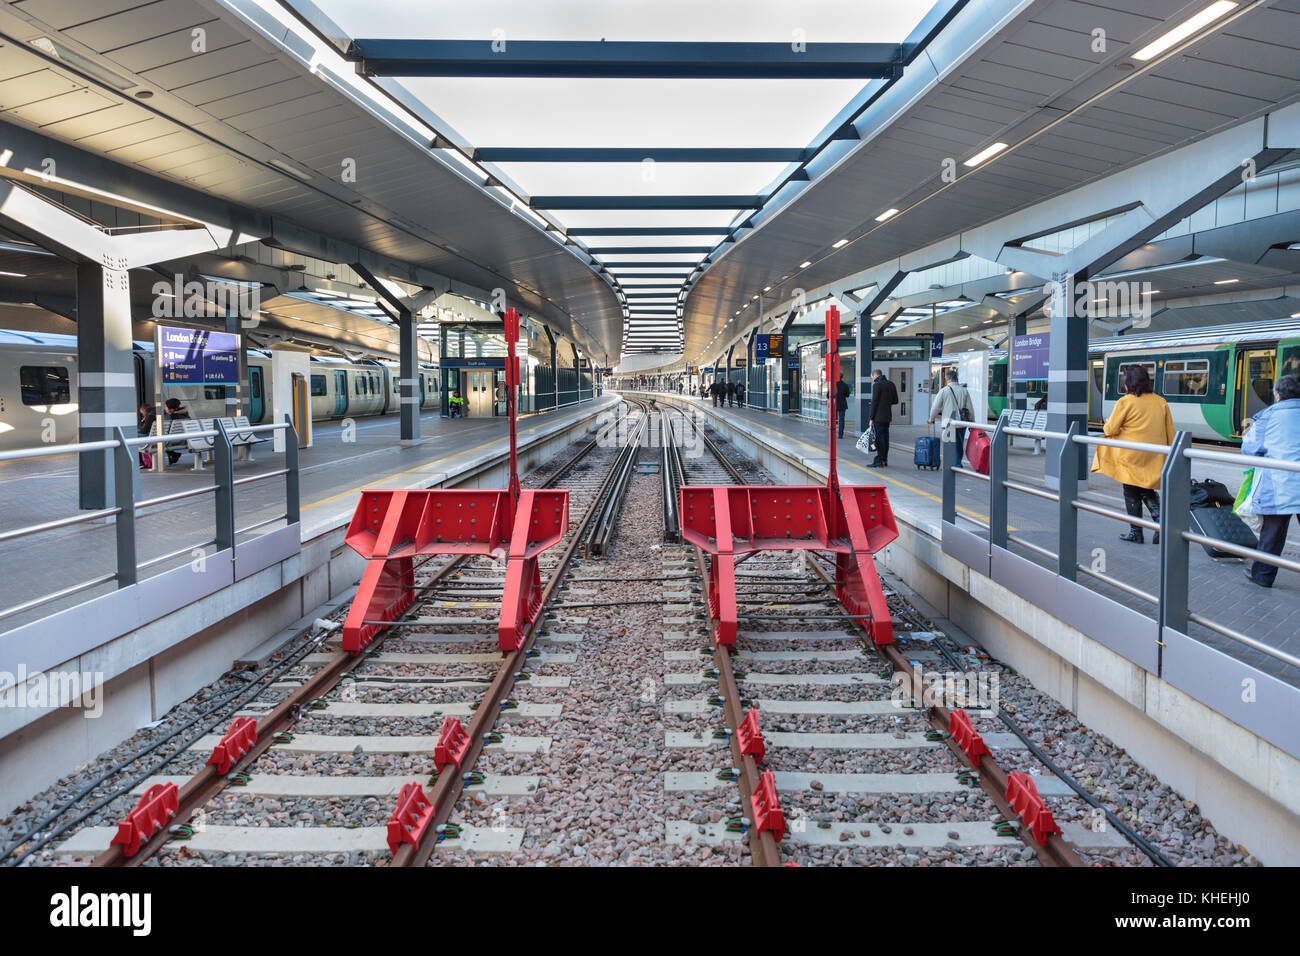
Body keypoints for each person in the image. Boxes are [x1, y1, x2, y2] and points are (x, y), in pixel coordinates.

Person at [1091, 365, 1174, 544]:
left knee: (1130, 491)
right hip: (1154, 454)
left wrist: (1106, 423)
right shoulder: (1161, 401)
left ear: (1129, 382)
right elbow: (1171, 433)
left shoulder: (1125, 401)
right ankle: (1160, 524)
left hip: (1131, 455)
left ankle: (1137, 532)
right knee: (1145, 489)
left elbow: (1111, 429)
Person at [1241, 375, 1300, 587]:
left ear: (1277, 395)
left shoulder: (1267, 416)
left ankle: (1262, 576)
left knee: (1273, 532)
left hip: (1279, 485)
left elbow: (1249, 449)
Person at [928, 369, 975, 467]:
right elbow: (970, 408)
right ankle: (957, 464)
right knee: (959, 445)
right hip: (962, 423)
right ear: (956, 379)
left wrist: (931, 419)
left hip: (948, 423)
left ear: (947, 379)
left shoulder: (944, 390)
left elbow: (935, 407)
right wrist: (972, 422)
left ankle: (951, 464)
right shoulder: (964, 390)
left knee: (949, 445)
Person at [867, 369, 898, 467]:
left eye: (872, 377)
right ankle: (884, 460)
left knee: (879, 440)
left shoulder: (877, 385)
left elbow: (874, 402)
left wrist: (871, 418)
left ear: (874, 375)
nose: (872, 379)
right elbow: (895, 400)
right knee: (885, 438)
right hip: (887, 416)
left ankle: (879, 460)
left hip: (878, 417)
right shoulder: (891, 384)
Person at [163, 398, 189, 466]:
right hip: (184, 439)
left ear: (171, 409)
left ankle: (173, 455)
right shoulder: (185, 414)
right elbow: (185, 408)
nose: (164, 408)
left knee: (163, 439)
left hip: (173, 440)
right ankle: (173, 455)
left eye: (165, 406)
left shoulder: (169, 416)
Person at [137, 403, 157, 470]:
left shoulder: (150, 416)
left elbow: (144, 431)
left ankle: (140, 462)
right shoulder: (157, 413)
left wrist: (138, 429)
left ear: (144, 410)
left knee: (133, 438)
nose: (142, 414)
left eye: (142, 412)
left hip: (150, 438)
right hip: (157, 437)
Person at [835, 373, 851, 438]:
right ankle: (840, 435)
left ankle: (832, 433)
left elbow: (828, 395)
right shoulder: (845, 385)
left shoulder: (833, 384)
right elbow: (847, 395)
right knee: (841, 420)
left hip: (834, 404)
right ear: (842, 377)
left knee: (833, 419)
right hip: (842, 404)